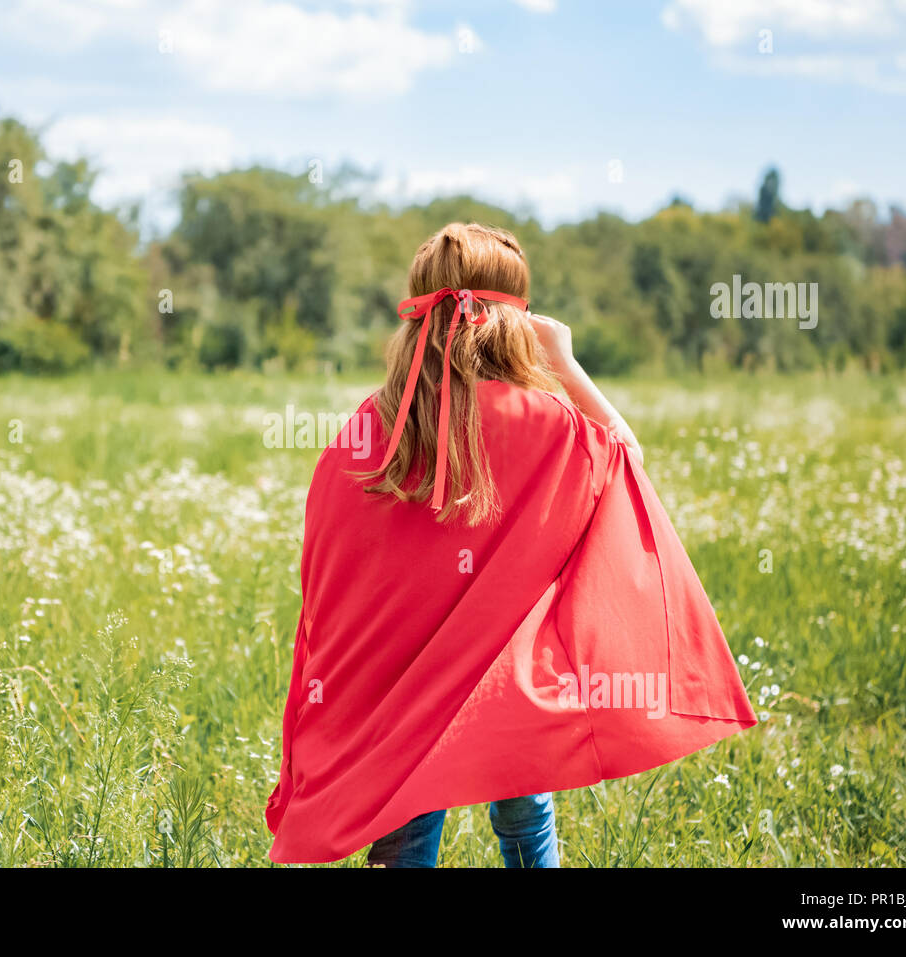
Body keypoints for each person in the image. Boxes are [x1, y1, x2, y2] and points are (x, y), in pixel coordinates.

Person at [264, 223, 757, 867]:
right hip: (507, 687)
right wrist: (565, 361)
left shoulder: (363, 430)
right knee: (525, 803)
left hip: (393, 689)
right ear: (515, 324)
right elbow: (625, 458)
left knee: (404, 828)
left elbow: (335, 574)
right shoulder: (549, 425)